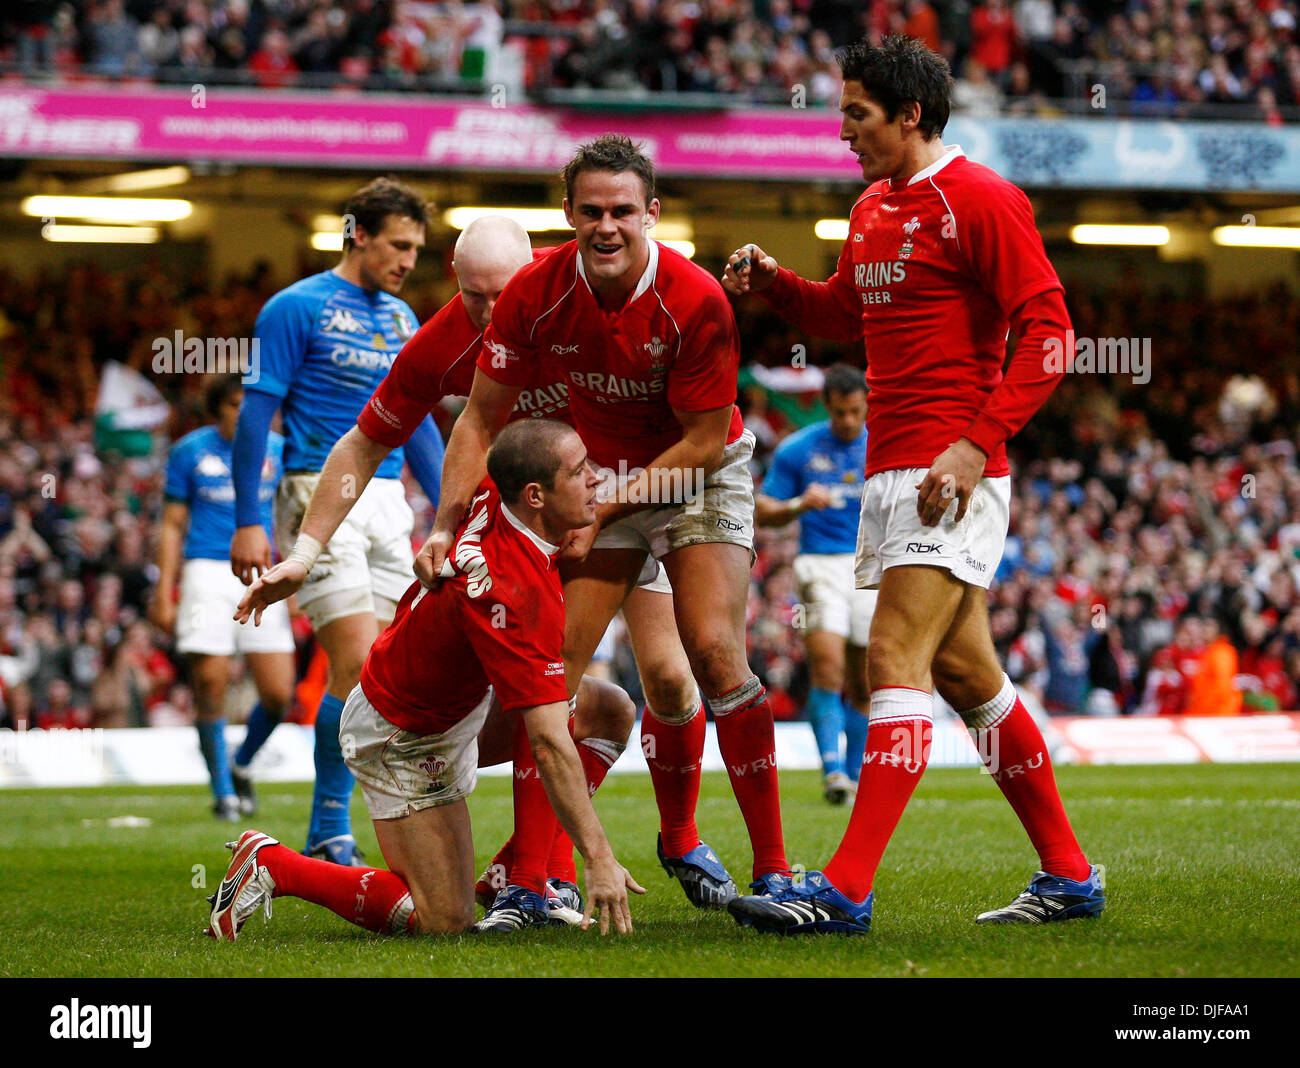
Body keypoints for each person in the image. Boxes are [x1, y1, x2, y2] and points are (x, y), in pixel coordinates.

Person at [237, 215, 728, 919]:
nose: (495, 312)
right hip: (539, 534)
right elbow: (366, 442)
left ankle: (661, 842)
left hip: (621, 495)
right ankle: (529, 879)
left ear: (537, 264)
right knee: (555, 696)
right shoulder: (443, 344)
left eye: (505, 292)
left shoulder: (585, 290)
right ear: (454, 282)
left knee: (667, 682)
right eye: (476, 296)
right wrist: (305, 552)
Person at [722, 35, 1102, 933]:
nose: (842, 131)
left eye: (857, 114)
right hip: (891, 470)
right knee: (968, 675)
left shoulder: (983, 198)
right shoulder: (871, 207)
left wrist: (974, 446)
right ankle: (1069, 874)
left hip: (952, 475)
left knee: (892, 658)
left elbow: (1053, 334)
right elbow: (845, 312)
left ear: (910, 115)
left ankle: (846, 889)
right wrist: (776, 284)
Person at [421, 135, 791, 905]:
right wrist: (445, 525)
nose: (606, 226)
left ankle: (775, 874)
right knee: (554, 666)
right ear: (568, 213)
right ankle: (530, 883)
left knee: (710, 654)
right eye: (590, 211)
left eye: (622, 210)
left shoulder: (697, 299)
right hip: (595, 478)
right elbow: (479, 420)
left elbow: (701, 443)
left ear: (651, 212)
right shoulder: (532, 292)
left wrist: (606, 504)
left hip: (695, 473)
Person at [209, 419, 643, 939]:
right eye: (578, 472)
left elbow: (474, 428)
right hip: (404, 737)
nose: (595, 478)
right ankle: (274, 865)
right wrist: (598, 855)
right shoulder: (511, 592)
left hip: (458, 705)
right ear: (535, 496)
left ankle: (518, 876)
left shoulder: (493, 492)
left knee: (608, 709)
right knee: (446, 920)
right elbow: (548, 744)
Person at [229, 177, 446, 866]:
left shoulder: (404, 320)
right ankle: (329, 820)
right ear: (358, 235)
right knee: (352, 664)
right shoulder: (295, 307)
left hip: (388, 502)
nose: (409, 260)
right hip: (315, 491)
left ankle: (332, 823)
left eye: (416, 249)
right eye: (398, 245)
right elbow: (256, 414)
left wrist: (453, 511)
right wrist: (246, 519)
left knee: (376, 674)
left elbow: (419, 426)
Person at [151, 376, 295, 820]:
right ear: (217, 409)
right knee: (209, 683)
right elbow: (172, 524)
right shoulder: (190, 451)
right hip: (206, 570)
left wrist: (296, 577)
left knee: (278, 694)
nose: (245, 413)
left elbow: (290, 516)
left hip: (265, 570)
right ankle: (223, 793)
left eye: (252, 405)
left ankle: (241, 763)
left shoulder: (280, 450)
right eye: (234, 404)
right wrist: (164, 591)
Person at [755, 364, 874, 805]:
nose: (848, 420)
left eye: (856, 411)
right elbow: (764, 510)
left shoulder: (882, 447)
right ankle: (833, 772)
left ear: (866, 406)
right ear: (827, 406)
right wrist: (799, 504)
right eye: (840, 412)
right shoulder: (798, 450)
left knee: (864, 680)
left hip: (871, 568)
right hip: (818, 566)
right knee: (827, 666)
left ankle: (855, 775)